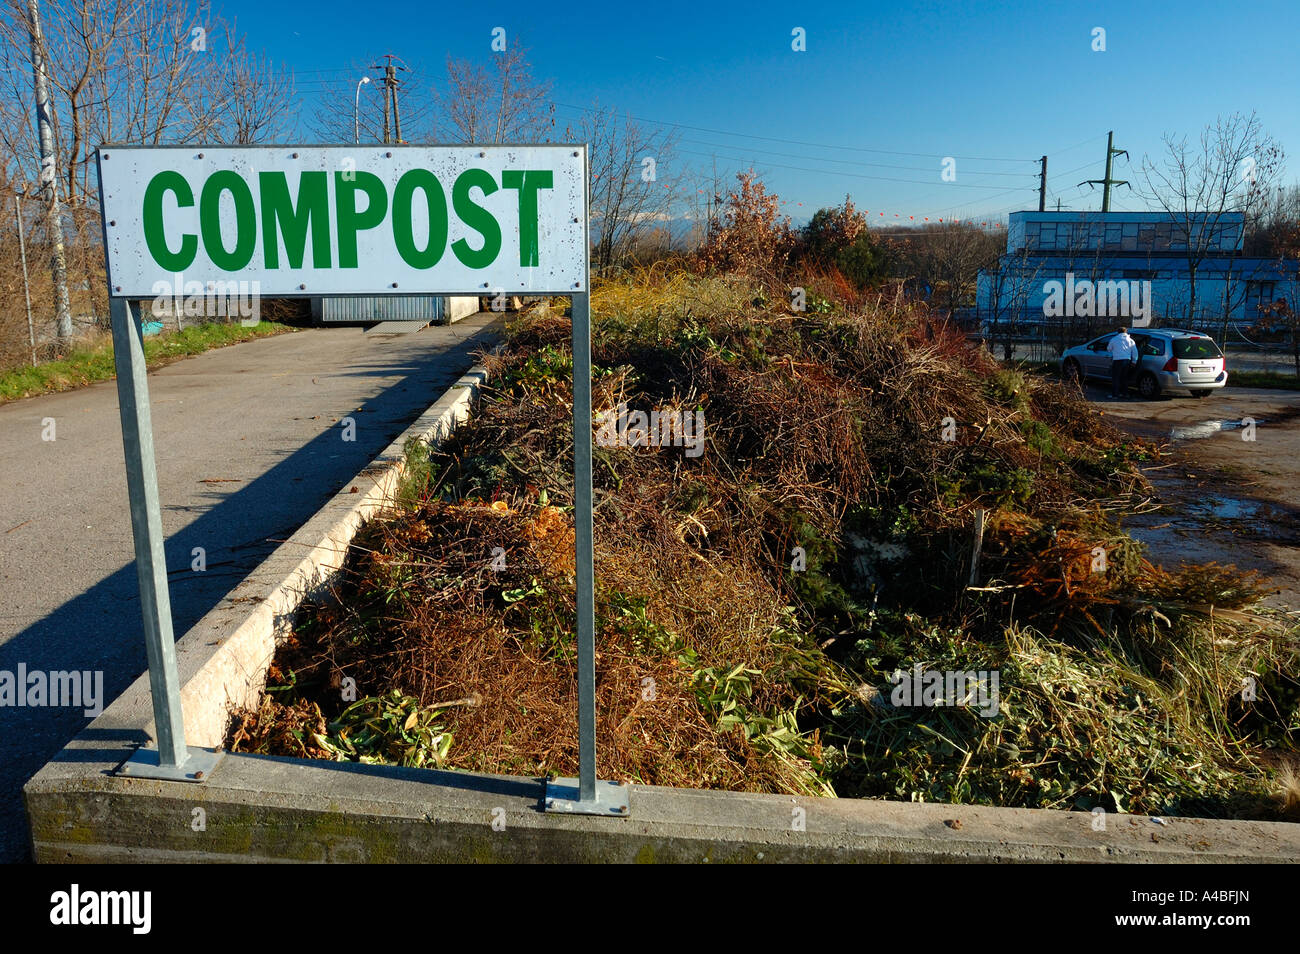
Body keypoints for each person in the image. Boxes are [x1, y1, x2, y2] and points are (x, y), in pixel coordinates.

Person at [1106, 326, 1138, 399]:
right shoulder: (1131, 340)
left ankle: (1115, 395)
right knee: (1124, 378)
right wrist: (1134, 361)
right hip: (1127, 360)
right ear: (1126, 332)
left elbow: (1109, 349)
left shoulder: (1114, 339)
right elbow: (1135, 352)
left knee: (1116, 378)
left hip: (1117, 360)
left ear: (1118, 332)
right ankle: (1125, 394)